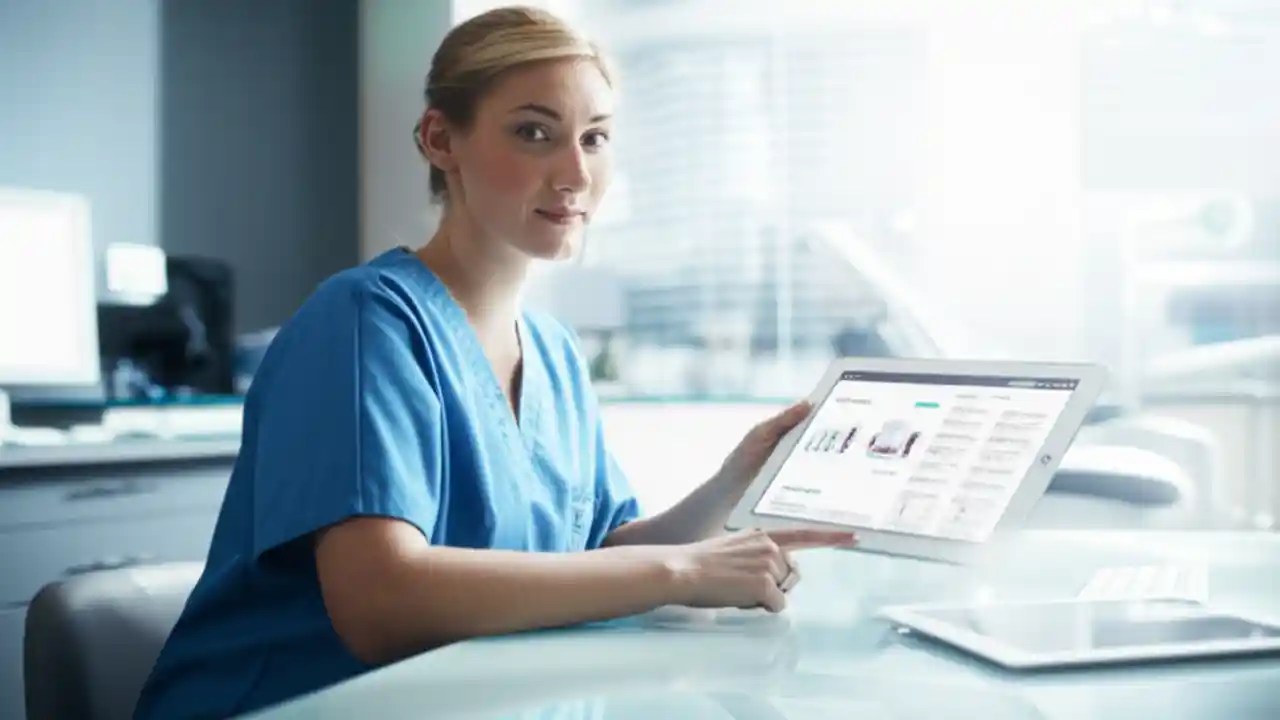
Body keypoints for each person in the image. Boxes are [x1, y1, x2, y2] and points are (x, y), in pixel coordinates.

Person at [134, 6, 856, 718]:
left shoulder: (555, 353)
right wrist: (679, 572)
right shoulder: (365, 323)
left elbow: (597, 554)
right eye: (534, 132)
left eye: (596, 138)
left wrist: (732, 486)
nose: (575, 174)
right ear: (440, 138)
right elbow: (380, 601)